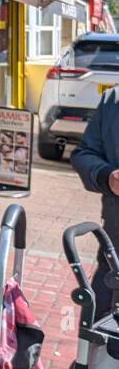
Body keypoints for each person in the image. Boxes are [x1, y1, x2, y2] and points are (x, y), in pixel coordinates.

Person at [69, 89, 119, 313]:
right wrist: (106, 176)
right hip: (114, 257)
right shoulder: (113, 99)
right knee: (98, 333)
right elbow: (85, 153)